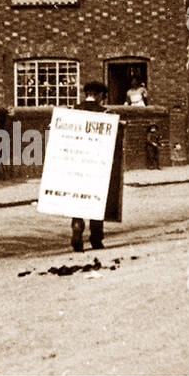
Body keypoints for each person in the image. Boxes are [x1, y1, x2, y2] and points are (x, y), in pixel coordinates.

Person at [69, 82, 116, 252]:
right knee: (96, 200)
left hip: (75, 160)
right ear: (98, 95)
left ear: (86, 93)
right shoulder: (105, 113)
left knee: (77, 197)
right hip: (96, 162)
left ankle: (76, 226)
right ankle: (96, 237)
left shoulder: (73, 111)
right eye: (103, 96)